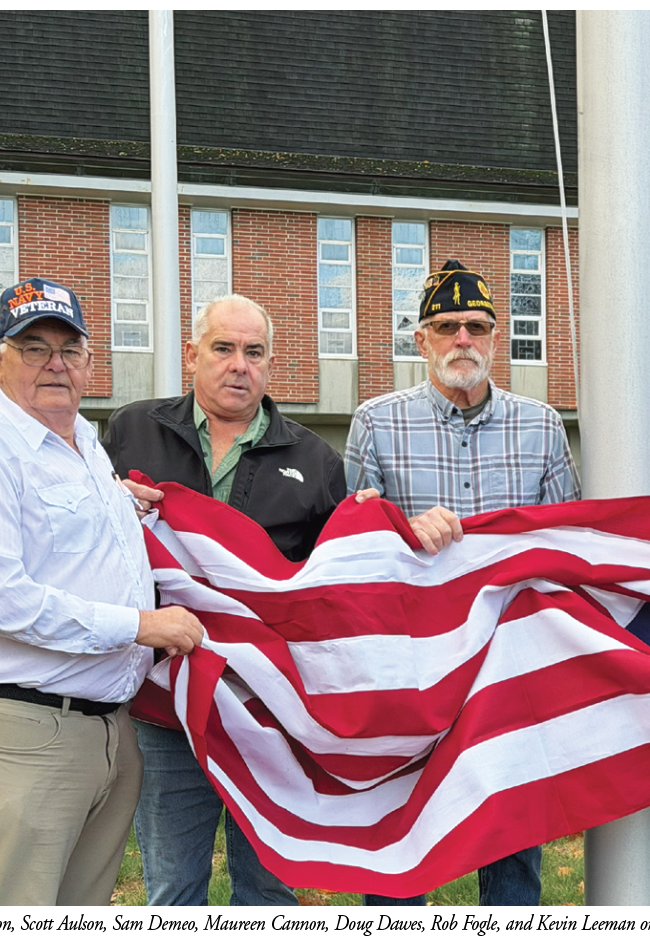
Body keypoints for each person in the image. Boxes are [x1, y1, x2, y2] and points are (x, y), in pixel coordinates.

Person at [0, 278, 203, 906]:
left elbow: (69, 553)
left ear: (88, 361)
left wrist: (121, 507)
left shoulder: (85, 445)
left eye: (69, 348)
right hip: (24, 730)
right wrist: (140, 625)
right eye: (33, 348)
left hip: (103, 730)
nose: (55, 363)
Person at [345, 258, 579, 905]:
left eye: (477, 326)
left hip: (508, 674)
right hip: (412, 675)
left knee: (511, 854)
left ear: (497, 338)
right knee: (397, 850)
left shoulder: (543, 428)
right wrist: (400, 529)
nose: (463, 341)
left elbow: (564, 555)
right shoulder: (375, 424)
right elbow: (347, 556)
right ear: (421, 340)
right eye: (447, 327)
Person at [101, 294, 346, 906]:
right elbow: (93, 544)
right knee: (172, 885)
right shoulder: (131, 430)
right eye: (224, 348)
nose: (239, 365)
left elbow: (331, 590)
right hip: (164, 705)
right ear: (192, 355)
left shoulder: (316, 461)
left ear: (270, 365)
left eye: (254, 352)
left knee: (267, 885)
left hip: (269, 710)